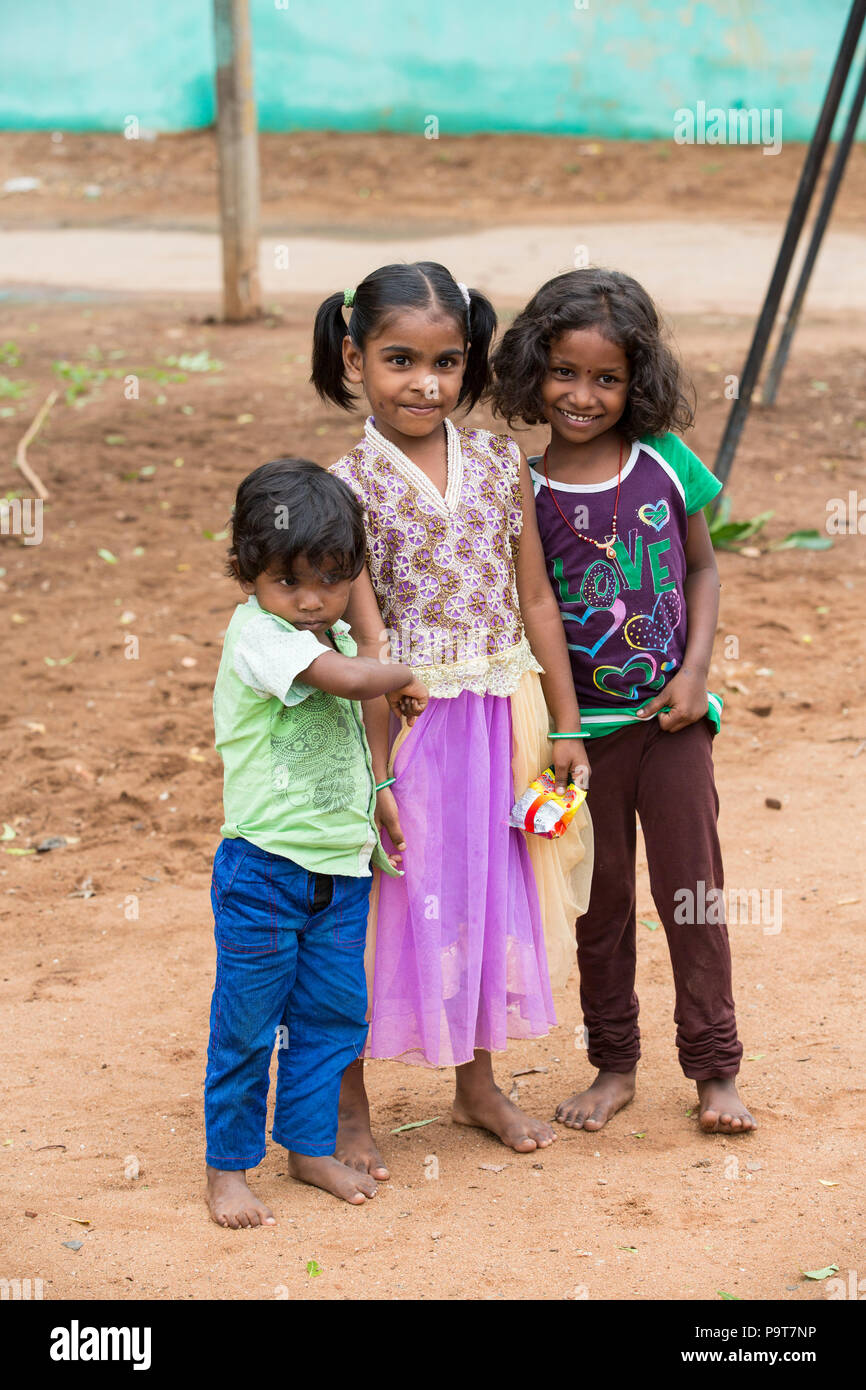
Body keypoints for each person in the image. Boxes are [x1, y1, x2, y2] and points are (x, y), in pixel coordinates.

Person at [310, 261, 594, 1179]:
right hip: (406, 724)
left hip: (499, 720)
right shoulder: (343, 485)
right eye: (399, 360)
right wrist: (380, 771)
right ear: (354, 357)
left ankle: (476, 1081)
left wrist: (566, 718)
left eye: (445, 361)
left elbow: (537, 598)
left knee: (477, 894)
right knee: (381, 906)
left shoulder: (505, 464)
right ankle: (348, 1103)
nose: (425, 383)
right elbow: (365, 630)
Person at [491, 268, 756, 1135]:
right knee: (599, 907)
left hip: (673, 728)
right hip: (582, 745)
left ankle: (715, 1069)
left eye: (608, 378)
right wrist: (564, 727)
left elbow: (704, 568)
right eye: (565, 372)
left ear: (639, 382)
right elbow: (535, 613)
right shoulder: (523, 489)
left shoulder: (668, 465)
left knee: (693, 895)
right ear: (534, 367)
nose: (583, 394)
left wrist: (695, 672)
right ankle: (614, 1063)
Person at [205, 458, 428, 1227]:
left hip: (341, 870)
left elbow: (350, 670)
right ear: (247, 574)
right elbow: (340, 677)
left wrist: (376, 667)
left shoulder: (327, 630)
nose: (309, 601)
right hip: (263, 873)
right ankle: (228, 1170)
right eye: (287, 583)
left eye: (330, 581)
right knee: (246, 1025)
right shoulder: (262, 637)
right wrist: (396, 670)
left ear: (352, 573)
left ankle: (307, 1148)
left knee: (332, 1019)